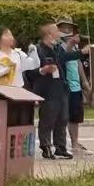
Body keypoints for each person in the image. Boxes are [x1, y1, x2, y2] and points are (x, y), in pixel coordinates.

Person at [33, 21, 70, 159]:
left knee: (63, 118)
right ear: (48, 34)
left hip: (60, 87)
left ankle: (61, 147)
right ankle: (46, 146)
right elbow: (31, 71)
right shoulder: (37, 49)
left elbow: (66, 58)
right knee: (48, 118)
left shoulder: (57, 49)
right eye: (56, 31)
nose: (59, 33)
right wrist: (43, 70)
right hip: (47, 89)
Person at [59, 27, 87, 154]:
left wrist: (84, 81)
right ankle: (70, 143)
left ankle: (75, 141)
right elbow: (65, 57)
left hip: (76, 86)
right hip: (67, 86)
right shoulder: (60, 46)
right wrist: (71, 44)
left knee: (76, 116)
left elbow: (78, 63)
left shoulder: (75, 48)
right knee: (69, 116)